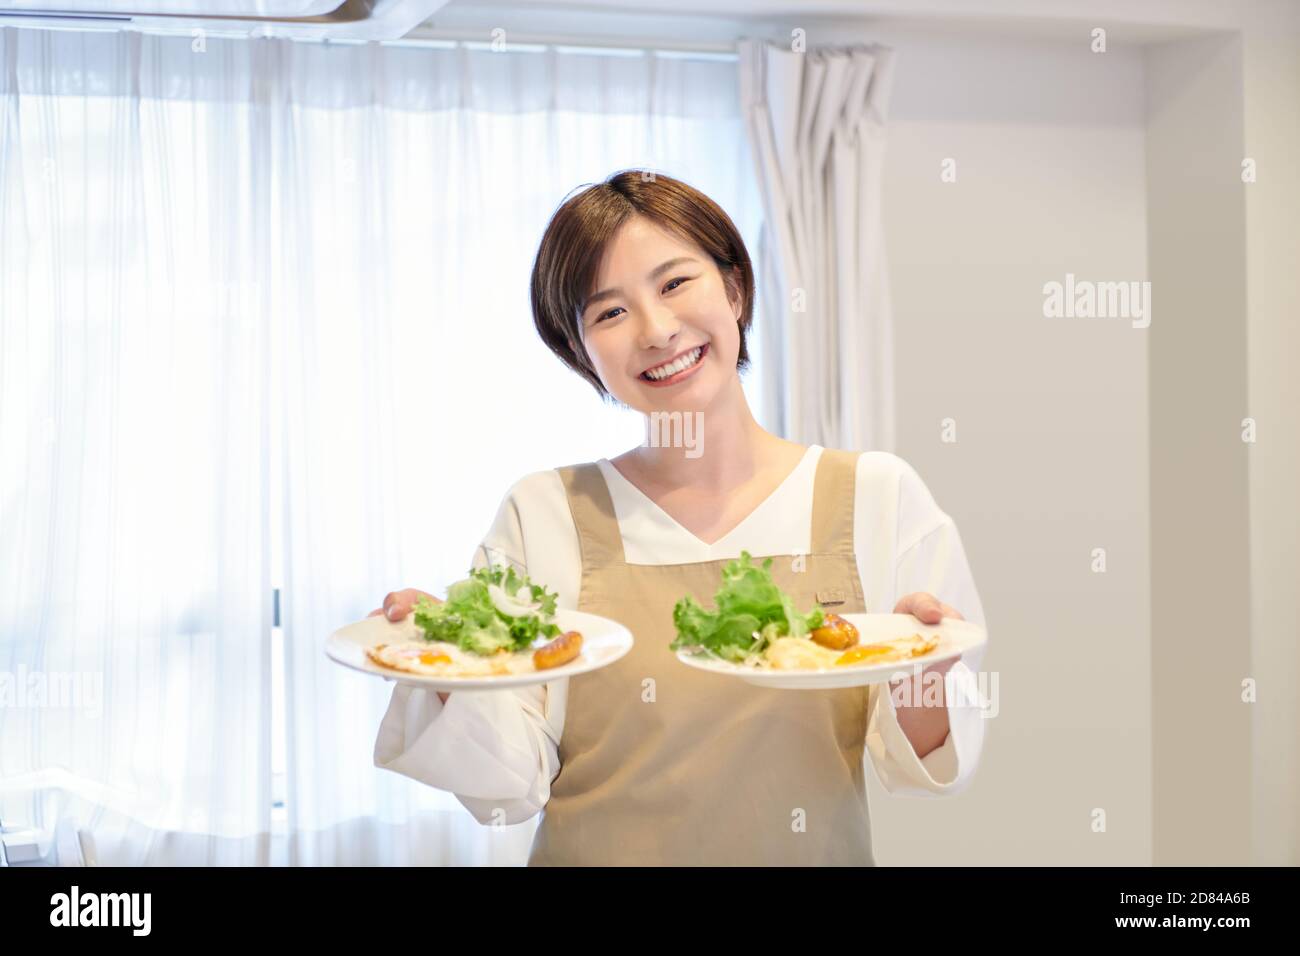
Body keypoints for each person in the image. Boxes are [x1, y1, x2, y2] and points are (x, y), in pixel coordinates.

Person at [371, 169, 989, 866]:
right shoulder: (544, 513)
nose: (658, 330)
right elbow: (506, 786)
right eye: (610, 313)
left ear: (735, 289)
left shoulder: (876, 496)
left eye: (674, 284)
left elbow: (927, 769)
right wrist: (444, 671)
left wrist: (924, 671)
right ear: (582, 353)